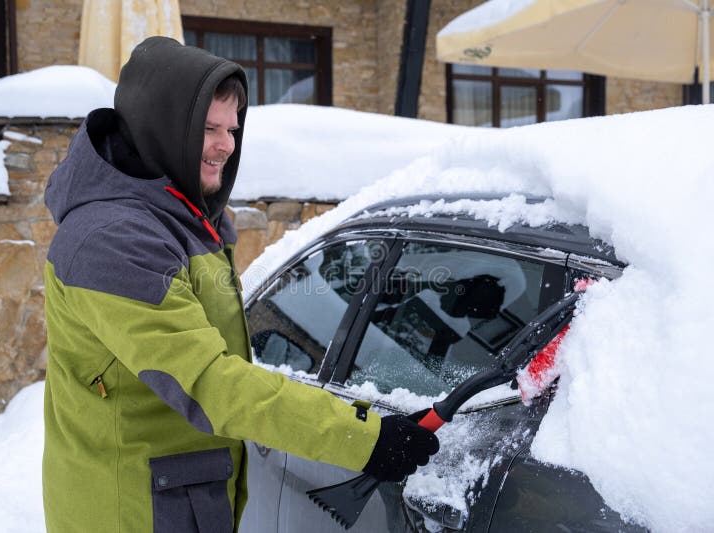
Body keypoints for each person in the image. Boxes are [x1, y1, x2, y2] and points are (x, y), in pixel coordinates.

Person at [42, 36, 438, 533]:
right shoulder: (113, 241)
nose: (227, 145)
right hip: (131, 509)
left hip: (175, 496)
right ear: (161, 126)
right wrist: (364, 437)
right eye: (208, 128)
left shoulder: (176, 217)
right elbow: (211, 382)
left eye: (231, 127)